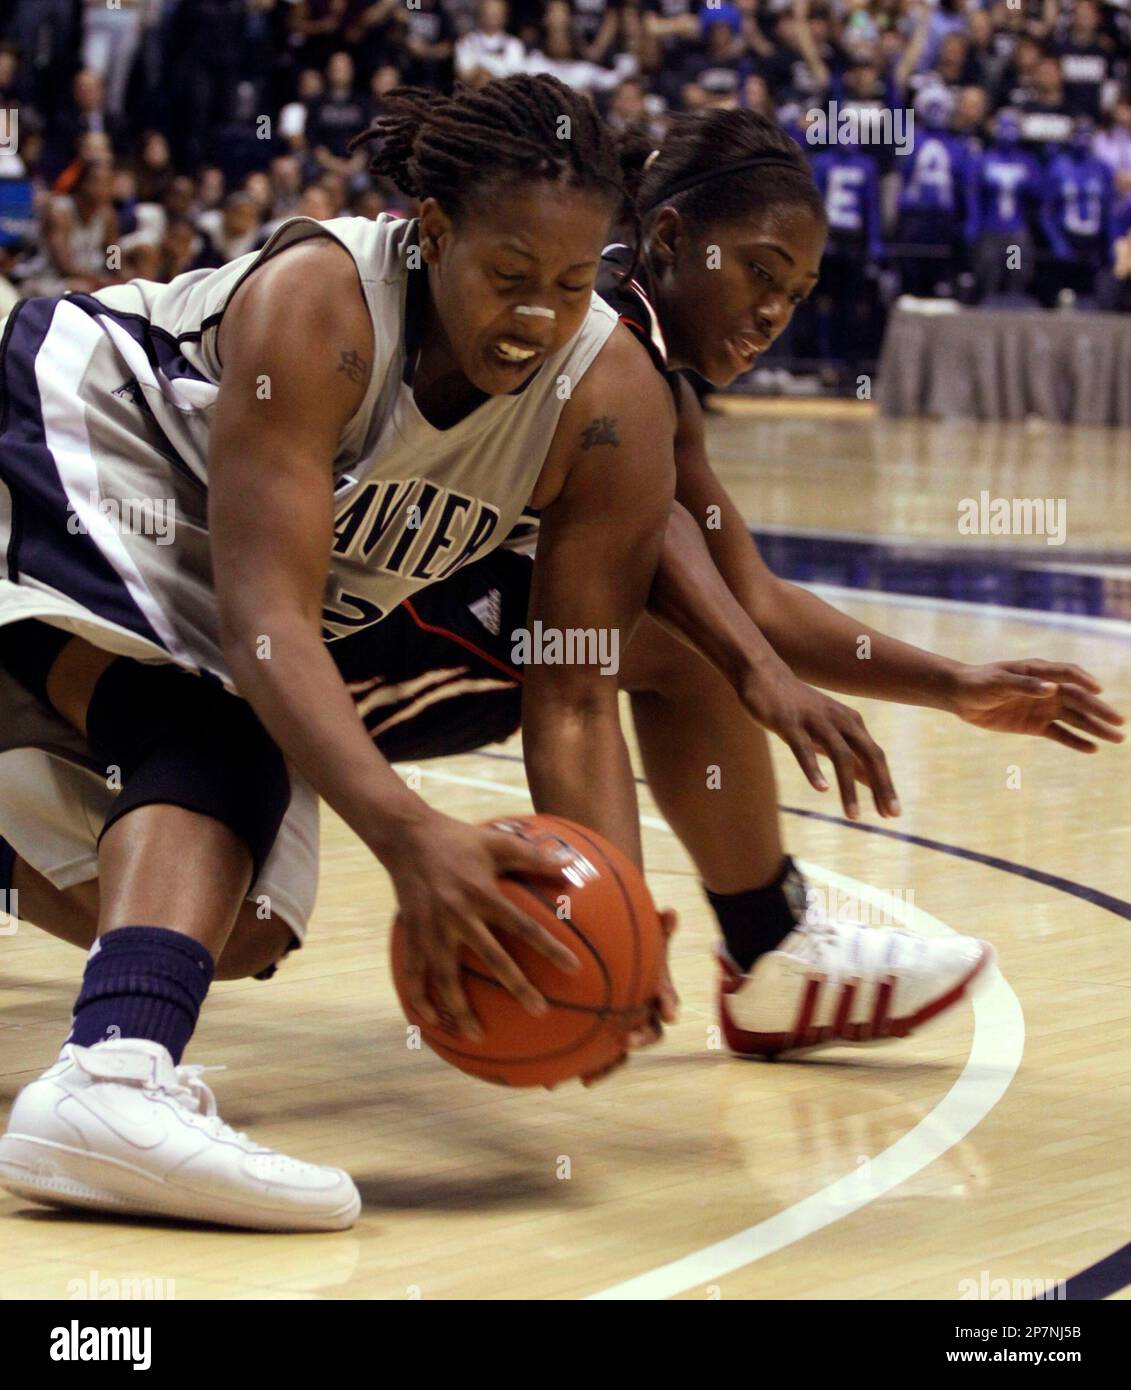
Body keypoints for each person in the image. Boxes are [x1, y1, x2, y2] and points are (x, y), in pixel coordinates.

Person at [0, 75, 686, 1231]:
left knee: (248, 920)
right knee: (220, 717)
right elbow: (266, 622)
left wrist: (606, 902)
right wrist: (413, 836)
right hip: (80, 415)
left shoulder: (610, 397)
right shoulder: (322, 305)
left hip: (215, 553)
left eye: (572, 286)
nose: (537, 315)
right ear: (433, 233)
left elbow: (569, 693)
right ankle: (110, 1077)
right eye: (509, 276)